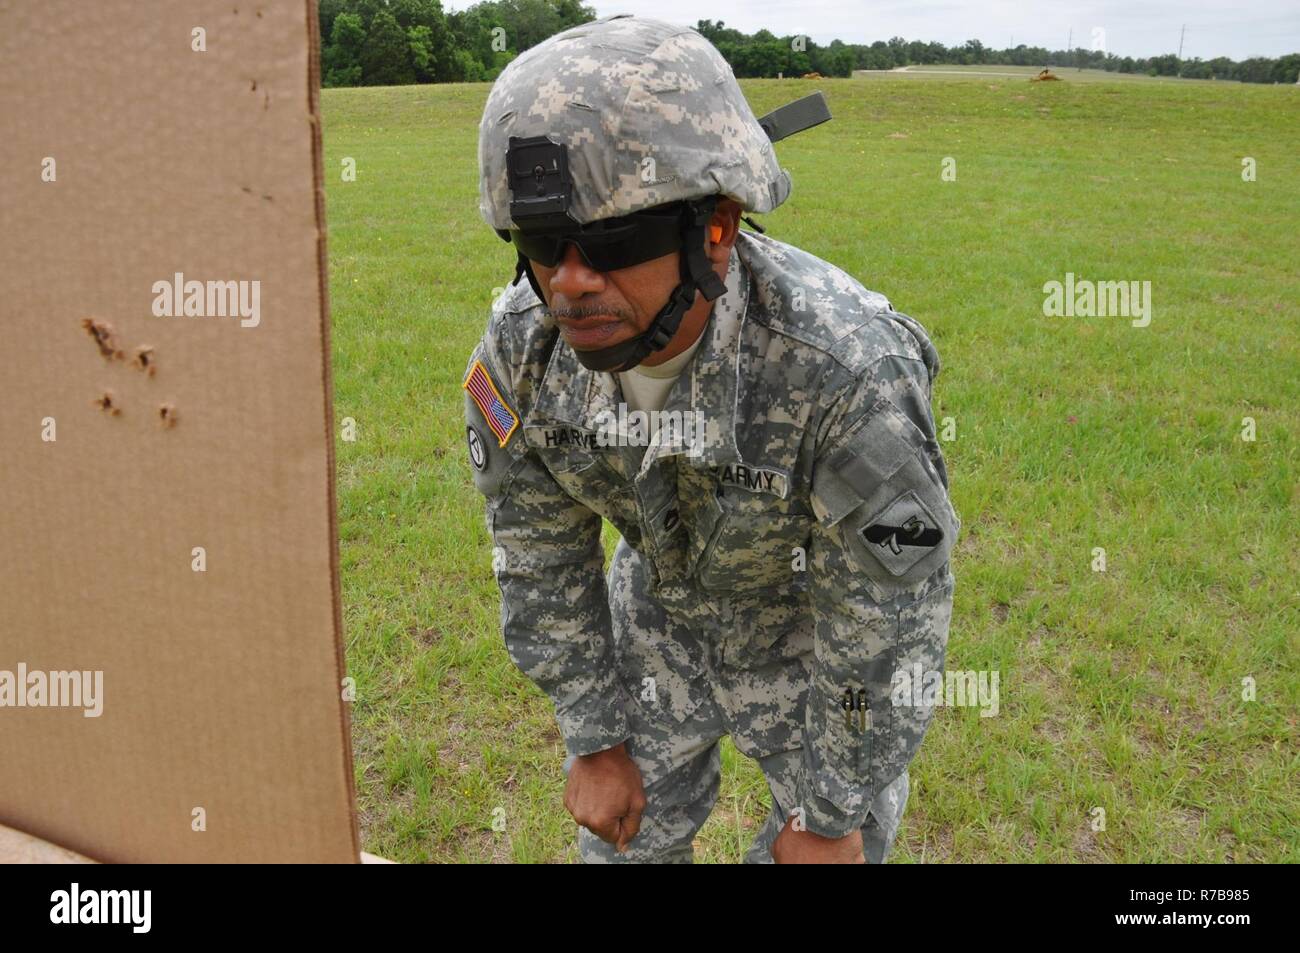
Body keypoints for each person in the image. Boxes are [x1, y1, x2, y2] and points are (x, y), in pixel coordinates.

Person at [463, 14, 958, 863]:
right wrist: (591, 732)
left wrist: (832, 812)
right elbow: (536, 549)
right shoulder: (523, 352)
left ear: (717, 229)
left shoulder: (843, 372)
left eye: (615, 241)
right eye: (544, 245)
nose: (573, 280)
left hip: (817, 643)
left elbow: (889, 618)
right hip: (657, 614)